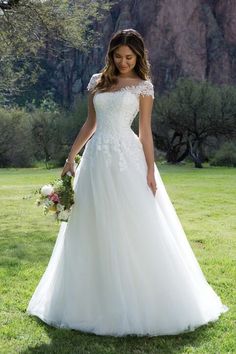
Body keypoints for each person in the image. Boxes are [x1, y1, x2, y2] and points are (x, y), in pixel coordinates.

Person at [27, 28, 229, 336]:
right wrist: (71, 157)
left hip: (127, 159)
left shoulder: (143, 87)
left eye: (129, 57)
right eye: (118, 57)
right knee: (91, 223)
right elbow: (90, 123)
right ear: (111, 55)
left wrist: (149, 169)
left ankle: (141, 296)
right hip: (95, 160)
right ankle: (88, 299)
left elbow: (145, 132)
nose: (123, 62)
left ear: (138, 57)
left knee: (131, 223)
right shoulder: (97, 81)